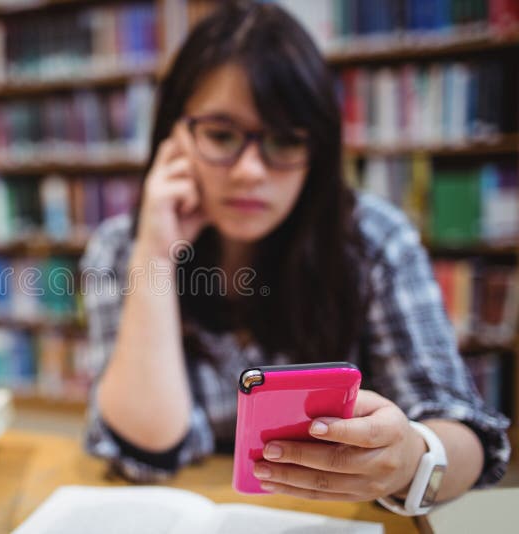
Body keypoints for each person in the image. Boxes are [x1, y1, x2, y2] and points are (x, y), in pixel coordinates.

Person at [78, 0, 510, 508]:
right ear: (175, 137)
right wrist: (154, 252)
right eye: (221, 135)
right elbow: (147, 449)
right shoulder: (120, 247)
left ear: (317, 150)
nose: (250, 172)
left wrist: (410, 453)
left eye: (284, 142)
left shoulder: (373, 240)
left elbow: (467, 434)